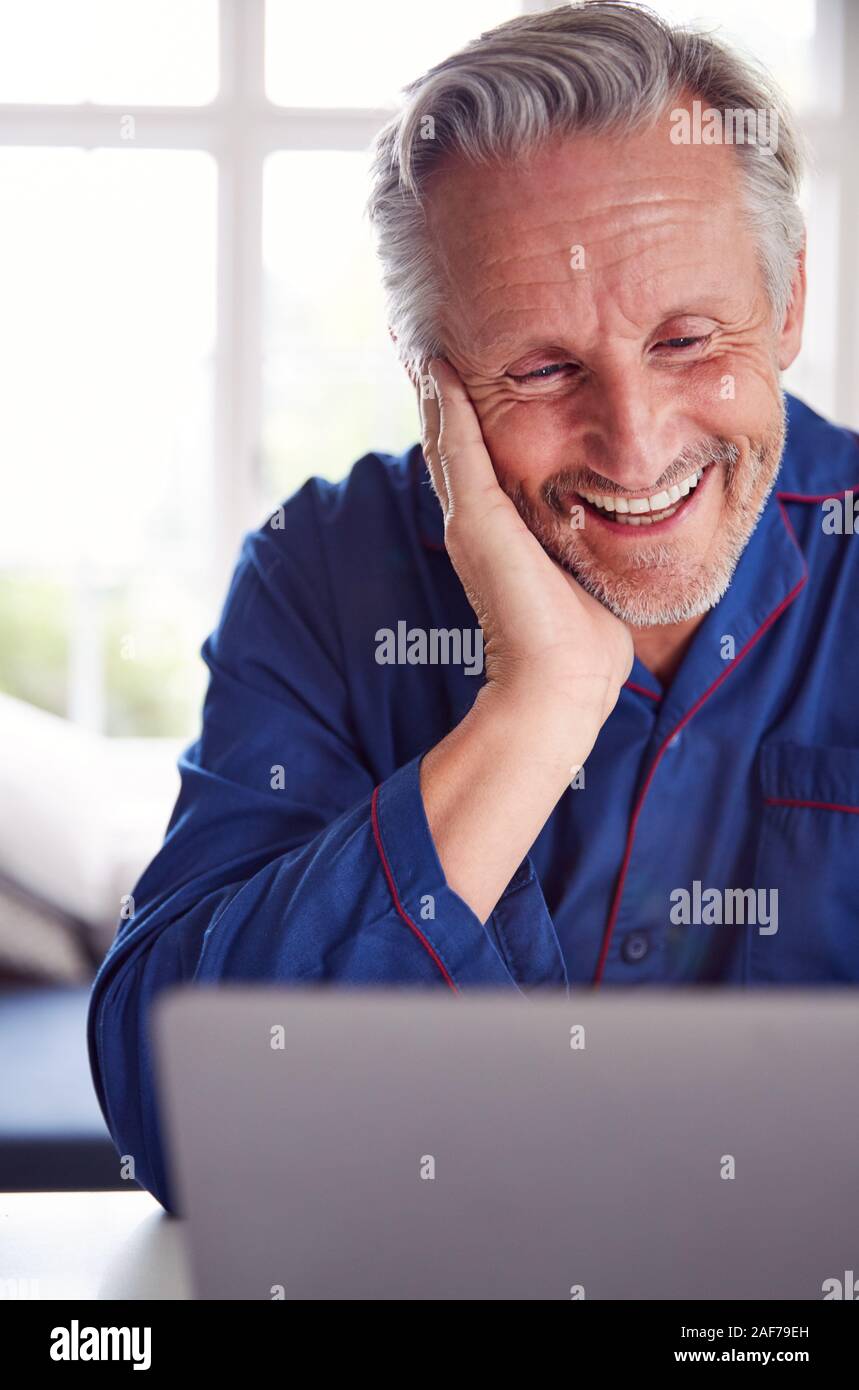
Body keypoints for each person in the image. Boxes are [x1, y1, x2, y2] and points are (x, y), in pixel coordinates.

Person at [89, 3, 859, 1212]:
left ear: (792, 299)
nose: (636, 442)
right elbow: (181, 1118)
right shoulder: (320, 578)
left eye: (687, 338)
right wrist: (540, 704)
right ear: (429, 376)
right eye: (543, 369)